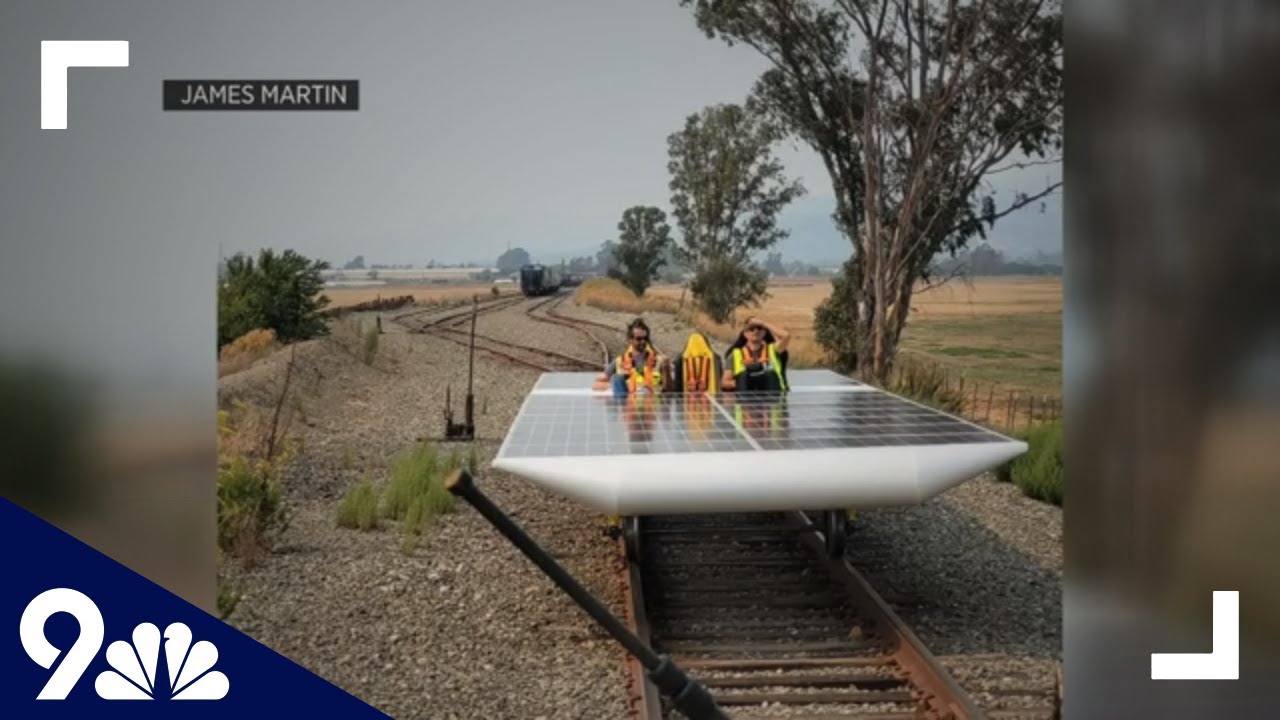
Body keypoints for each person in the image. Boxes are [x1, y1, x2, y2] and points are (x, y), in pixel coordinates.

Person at [593, 318, 666, 395]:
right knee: (617, 379)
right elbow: (596, 385)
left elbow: (670, 390)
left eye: (645, 338)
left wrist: (666, 370)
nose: (643, 341)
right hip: (627, 404)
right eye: (639, 339)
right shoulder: (619, 361)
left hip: (652, 404)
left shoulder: (659, 361)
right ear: (630, 339)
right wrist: (615, 385)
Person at [721, 315, 790, 392]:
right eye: (751, 329)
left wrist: (763, 323)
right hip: (745, 397)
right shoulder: (735, 354)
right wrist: (747, 382)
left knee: (770, 374)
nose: (755, 331)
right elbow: (725, 382)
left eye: (759, 328)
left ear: (764, 332)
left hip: (773, 397)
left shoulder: (774, 349)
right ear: (745, 334)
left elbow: (786, 336)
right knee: (743, 376)